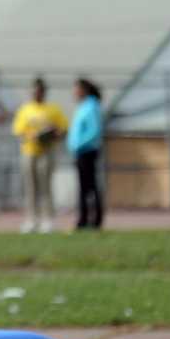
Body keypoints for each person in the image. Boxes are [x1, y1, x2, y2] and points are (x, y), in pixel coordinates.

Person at [12, 77, 66, 235]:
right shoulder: (25, 110)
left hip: (47, 151)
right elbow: (19, 131)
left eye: (39, 91)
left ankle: (48, 220)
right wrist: (33, 135)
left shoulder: (53, 109)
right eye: (34, 91)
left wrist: (53, 132)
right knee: (31, 187)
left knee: (46, 187)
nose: (36, 94)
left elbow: (62, 129)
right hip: (29, 152)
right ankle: (31, 220)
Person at [70, 77, 106, 231]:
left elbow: (94, 131)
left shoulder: (91, 106)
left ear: (84, 90)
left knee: (89, 187)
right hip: (81, 151)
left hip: (87, 151)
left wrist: (79, 144)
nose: (74, 92)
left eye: (76, 89)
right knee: (84, 187)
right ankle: (84, 219)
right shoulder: (83, 106)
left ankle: (93, 220)